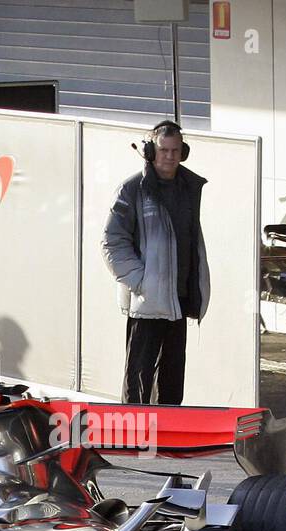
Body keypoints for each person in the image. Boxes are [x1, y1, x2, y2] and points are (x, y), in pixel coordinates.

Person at [102, 120, 211, 405]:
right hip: (146, 304)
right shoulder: (132, 189)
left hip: (178, 299)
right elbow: (111, 242)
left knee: (173, 377)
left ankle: (167, 436)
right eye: (164, 150)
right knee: (139, 376)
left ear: (183, 152)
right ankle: (134, 435)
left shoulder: (188, 188)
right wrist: (141, 281)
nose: (170, 156)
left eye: (176, 150)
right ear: (151, 151)